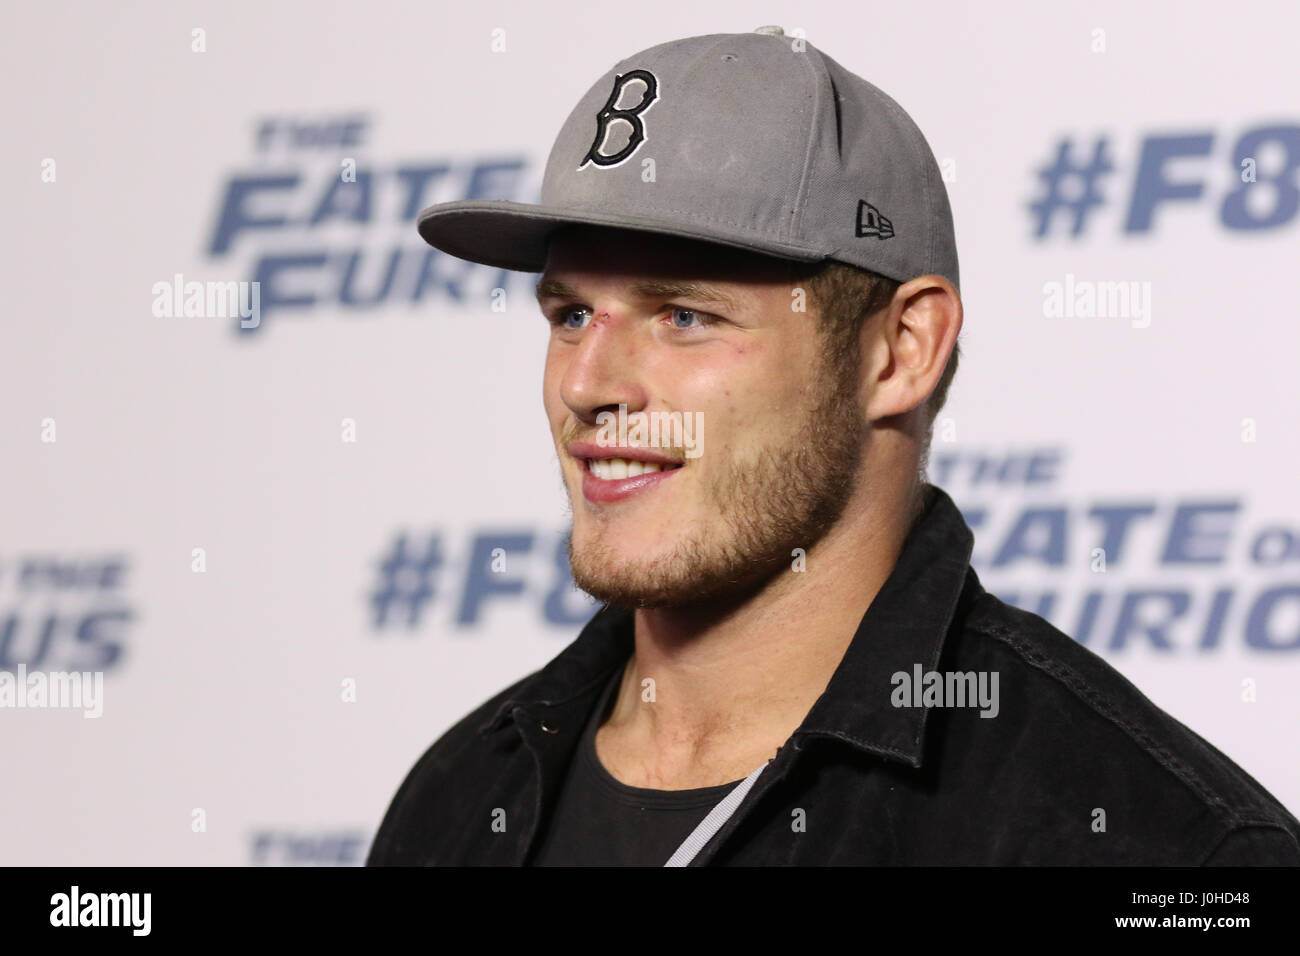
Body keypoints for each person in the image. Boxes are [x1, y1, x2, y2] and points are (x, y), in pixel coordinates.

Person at [367, 27, 1300, 865]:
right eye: (572, 314)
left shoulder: (1160, 845)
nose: (586, 384)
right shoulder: (459, 797)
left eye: (685, 315)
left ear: (901, 351)